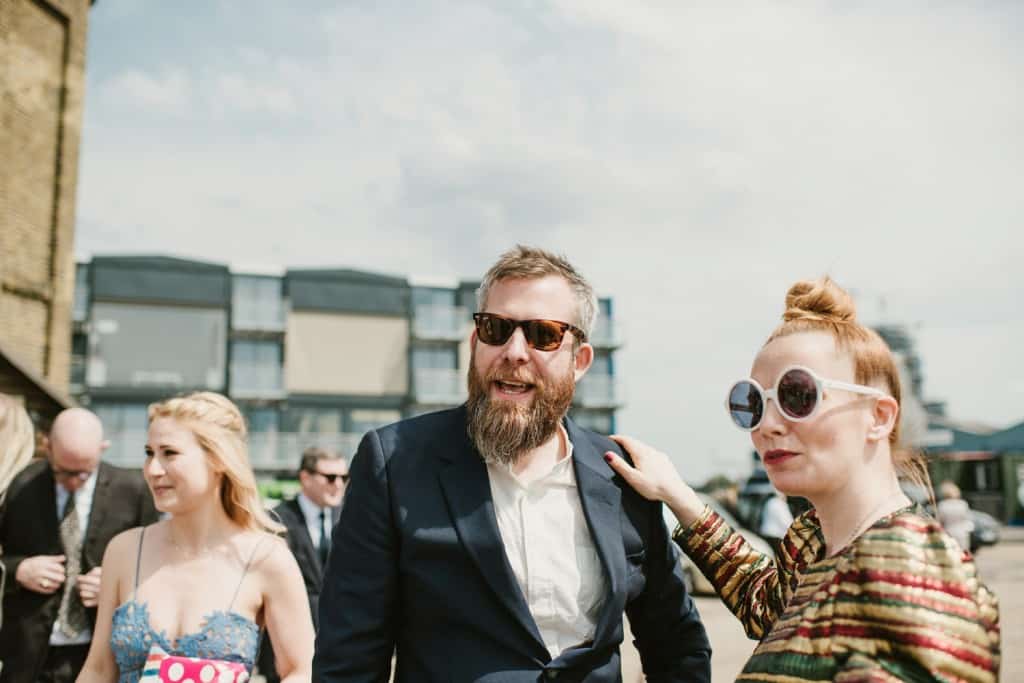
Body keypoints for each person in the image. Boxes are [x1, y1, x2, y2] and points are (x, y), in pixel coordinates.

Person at [314, 246, 710, 682]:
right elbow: (348, 661)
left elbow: (676, 644)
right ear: (474, 343)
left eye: (543, 334)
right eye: (496, 329)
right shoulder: (395, 464)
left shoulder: (622, 475)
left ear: (579, 361)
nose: (515, 350)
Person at [605, 277, 1001, 682]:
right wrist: (676, 493)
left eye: (798, 395)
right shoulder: (814, 540)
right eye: (753, 404)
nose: (766, 427)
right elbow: (766, 604)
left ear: (879, 416)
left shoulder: (908, 567)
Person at [75, 392, 314, 682]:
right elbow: (99, 668)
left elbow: (303, 670)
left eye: (169, 453)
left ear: (218, 460)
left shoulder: (267, 557)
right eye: (149, 453)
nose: (152, 469)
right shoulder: (124, 549)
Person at [0, 407, 159, 683]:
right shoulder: (18, 485)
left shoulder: (134, 491)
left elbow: (154, 566)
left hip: (101, 651)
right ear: (47, 447)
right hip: (27, 653)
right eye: (63, 472)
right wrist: (18, 570)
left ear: (102, 449)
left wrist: (116, 586)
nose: (73, 482)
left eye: (83, 474)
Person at [258, 447, 348, 683]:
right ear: (305, 478)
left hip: (340, 648)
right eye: (330, 477)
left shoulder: (352, 517)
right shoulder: (274, 520)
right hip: (286, 652)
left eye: (344, 478)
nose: (338, 484)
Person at [937, 479, 974, 553]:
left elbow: (940, 521)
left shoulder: (942, 505)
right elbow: (968, 519)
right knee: (964, 555)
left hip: (949, 532)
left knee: (952, 554)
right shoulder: (963, 504)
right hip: (963, 533)